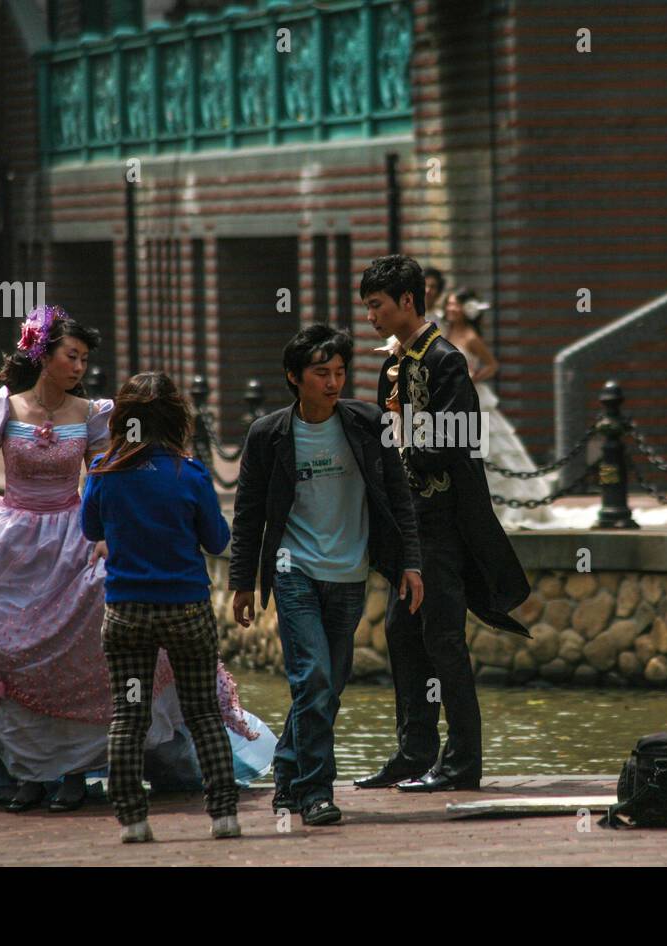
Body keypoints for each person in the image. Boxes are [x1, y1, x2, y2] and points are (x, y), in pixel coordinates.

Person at [0, 306, 259, 813]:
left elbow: (100, 475)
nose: (79, 366)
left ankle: (74, 771)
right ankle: (22, 770)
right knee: (3, 653)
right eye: (71, 356)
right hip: (13, 534)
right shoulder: (3, 408)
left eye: (84, 358)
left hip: (71, 532)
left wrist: (104, 535)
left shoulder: (91, 413)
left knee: (79, 656)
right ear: (43, 355)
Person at [228, 325, 423, 826]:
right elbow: (248, 512)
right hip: (294, 569)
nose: (333, 382)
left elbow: (399, 498)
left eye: (339, 372)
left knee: (325, 688)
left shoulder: (369, 422)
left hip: (350, 572)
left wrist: (410, 562)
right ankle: (316, 792)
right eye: (321, 374)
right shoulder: (269, 434)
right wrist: (242, 580)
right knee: (313, 678)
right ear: (295, 377)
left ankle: (287, 775)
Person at [355, 254, 531, 793]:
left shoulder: (445, 359)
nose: (371, 318)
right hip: (408, 528)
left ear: (408, 300)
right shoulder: (396, 361)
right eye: (367, 308)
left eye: (377, 305)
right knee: (403, 635)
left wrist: (399, 449)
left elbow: (455, 441)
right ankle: (414, 753)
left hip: (440, 525)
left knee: (443, 639)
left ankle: (462, 763)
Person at [82, 372, 250, 843]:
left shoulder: (104, 472)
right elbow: (217, 540)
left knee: (128, 716)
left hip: (126, 612)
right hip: (186, 610)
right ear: (177, 417)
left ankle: (133, 821)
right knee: (202, 715)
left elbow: (90, 530)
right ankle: (223, 817)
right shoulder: (189, 473)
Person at [439, 287, 554, 528]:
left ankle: (499, 506)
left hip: (473, 397)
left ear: (467, 310)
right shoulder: (446, 332)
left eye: (456, 305)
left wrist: (475, 377)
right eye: (449, 304)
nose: (451, 309)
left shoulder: (471, 337)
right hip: (452, 397)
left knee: (489, 449)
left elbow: (492, 364)